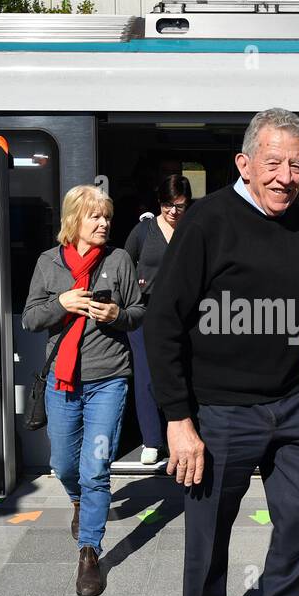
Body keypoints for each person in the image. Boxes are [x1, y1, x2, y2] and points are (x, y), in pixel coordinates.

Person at [145, 107, 299, 596]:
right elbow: (163, 323)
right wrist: (179, 419)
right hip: (219, 413)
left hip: (292, 404)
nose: (284, 176)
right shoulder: (208, 222)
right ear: (244, 164)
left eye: (295, 166)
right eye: (272, 163)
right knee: (209, 534)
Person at [23, 184, 145, 596]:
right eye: (95, 216)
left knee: (96, 467)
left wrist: (117, 314)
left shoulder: (119, 259)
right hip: (62, 381)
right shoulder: (49, 263)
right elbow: (30, 319)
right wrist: (63, 303)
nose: (103, 223)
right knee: (63, 462)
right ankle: (78, 500)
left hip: (109, 379)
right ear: (74, 220)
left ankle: (89, 551)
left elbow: (138, 311)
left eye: (106, 216)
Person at [124, 174, 192, 465]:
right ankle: (152, 439)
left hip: (183, 312)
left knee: (183, 371)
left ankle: (185, 432)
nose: (173, 212)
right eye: (168, 205)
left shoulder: (192, 229)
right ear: (159, 202)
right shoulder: (143, 231)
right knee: (146, 376)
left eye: (180, 205)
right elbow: (123, 265)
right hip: (145, 311)